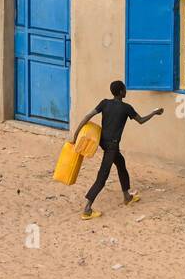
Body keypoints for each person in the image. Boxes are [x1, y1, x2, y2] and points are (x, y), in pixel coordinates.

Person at [70, 80, 163, 220]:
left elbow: (87, 116)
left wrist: (76, 133)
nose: (126, 91)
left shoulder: (104, 103)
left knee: (121, 164)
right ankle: (87, 209)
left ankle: (127, 196)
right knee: (102, 176)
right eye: (124, 89)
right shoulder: (126, 108)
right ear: (120, 92)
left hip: (104, 143)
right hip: (112, 146)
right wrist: (154, 112)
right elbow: (141, 120)